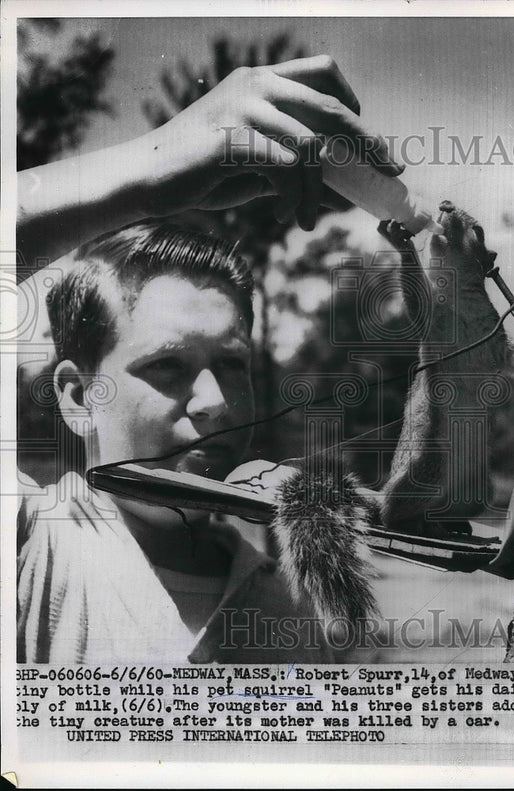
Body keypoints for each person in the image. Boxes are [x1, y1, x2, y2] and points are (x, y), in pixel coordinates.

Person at [16, 56, 403, 664]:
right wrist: (153, 166)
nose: (219, 403)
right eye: (166, 368)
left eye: (230, 366)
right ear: (76, 397)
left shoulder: (293, 609)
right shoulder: (29, 538)